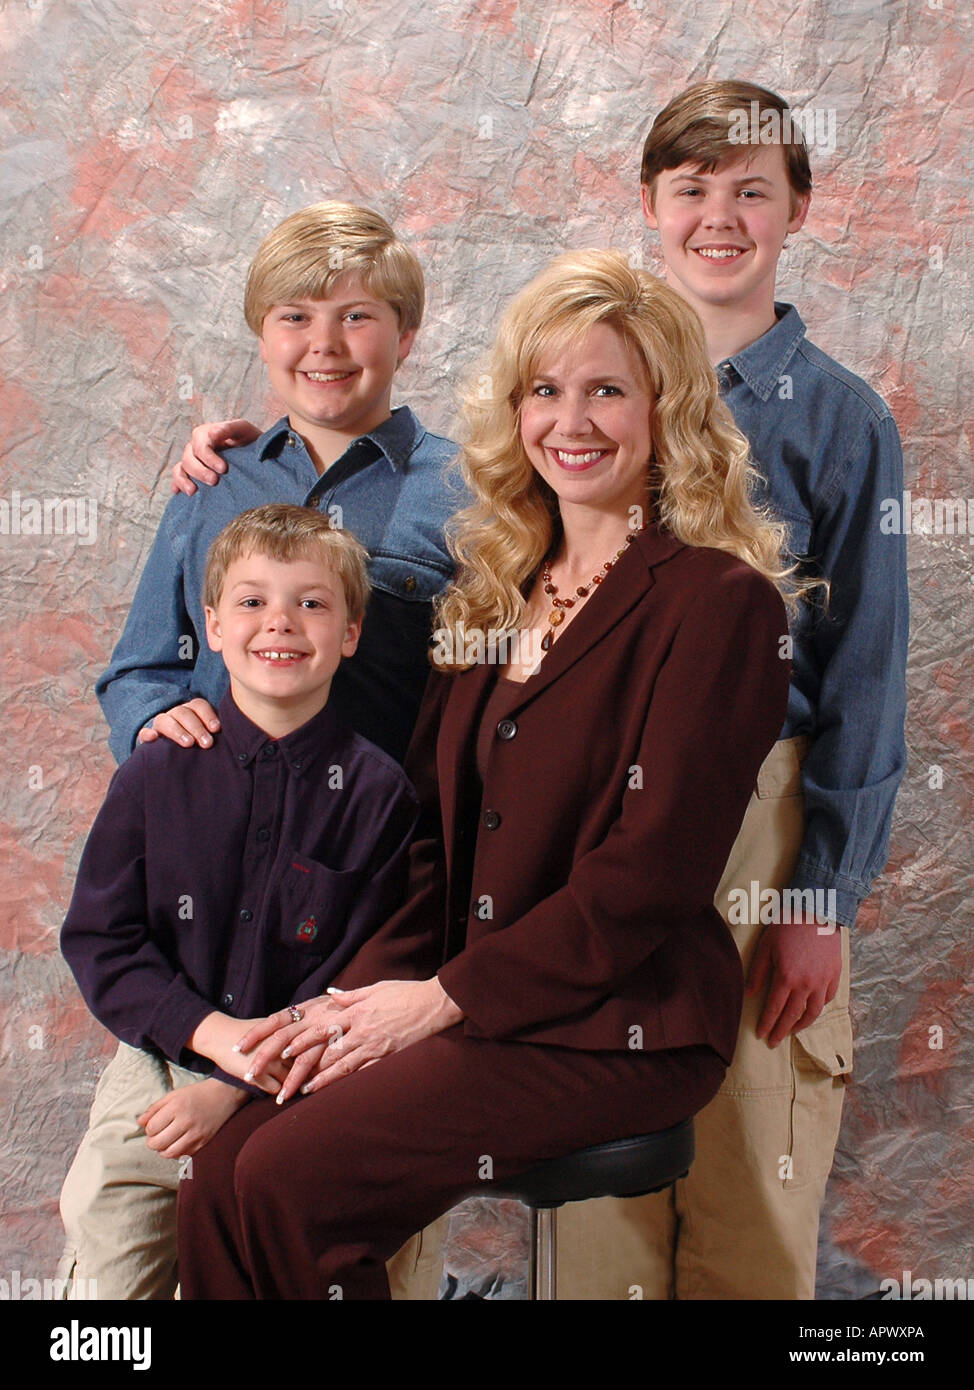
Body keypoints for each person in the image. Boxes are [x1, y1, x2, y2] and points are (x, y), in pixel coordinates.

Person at [174, 250, 794, 1301]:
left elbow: (647, 876)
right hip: (462, 1000)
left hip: (618, 1024)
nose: (572, 420)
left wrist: (437, 1004)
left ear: (665, 408)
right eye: (544, 391)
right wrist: (350, 1003)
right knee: (219, 1175)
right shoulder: (490, 595)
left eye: (607, 389)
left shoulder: (716, 603)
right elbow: (426, 845)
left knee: (284, 1178)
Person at [555, 81, 909, 1300]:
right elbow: (470, 533)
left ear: (796, 208)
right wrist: (271, 444)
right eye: (691, 189)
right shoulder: (589, 396)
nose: (720, 217)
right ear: (649, 206)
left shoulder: (841, 421)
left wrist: (824, 891)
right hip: (590, 811)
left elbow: (864, 669)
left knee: (748, 1176)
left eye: (749, 190)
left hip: (758, 826)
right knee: (590, 1176)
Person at [58, 504, 420, 1300]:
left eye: (312, 603)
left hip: (314, 1075)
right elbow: (101, 941)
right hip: (164, 1056)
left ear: (352, 633)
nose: (280, 623)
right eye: (253, 602)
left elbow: (364, 975)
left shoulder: (377, 795)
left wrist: (241, 1082)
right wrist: (213, 1044)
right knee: (108, 1253)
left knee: (330, 1246)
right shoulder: (156, 771)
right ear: (212, 628)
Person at [97, 201, 461, 767]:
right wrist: (152, 719)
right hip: (217, 833)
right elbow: (141, 668)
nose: (325, 344)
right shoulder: (214, 482)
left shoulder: (469, 492)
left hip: (385, 838)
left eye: (356, 316)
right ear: (262, 339)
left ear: (406, 334)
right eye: (295, 317)